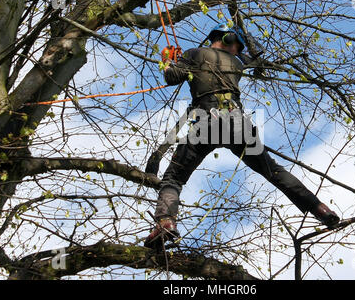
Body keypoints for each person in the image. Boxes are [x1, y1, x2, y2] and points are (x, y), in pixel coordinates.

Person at [144, 23, 340, 249]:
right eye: (237, 46)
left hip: (206, 121)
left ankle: (166, 222)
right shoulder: (237, 63)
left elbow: (171, 77)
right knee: (274, 171)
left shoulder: (194, 54)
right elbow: (252, 57)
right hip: (238, 123)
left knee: (174, 179)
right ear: (227, 39)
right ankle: (320, 209)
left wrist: (168, 60)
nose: (238, 51)